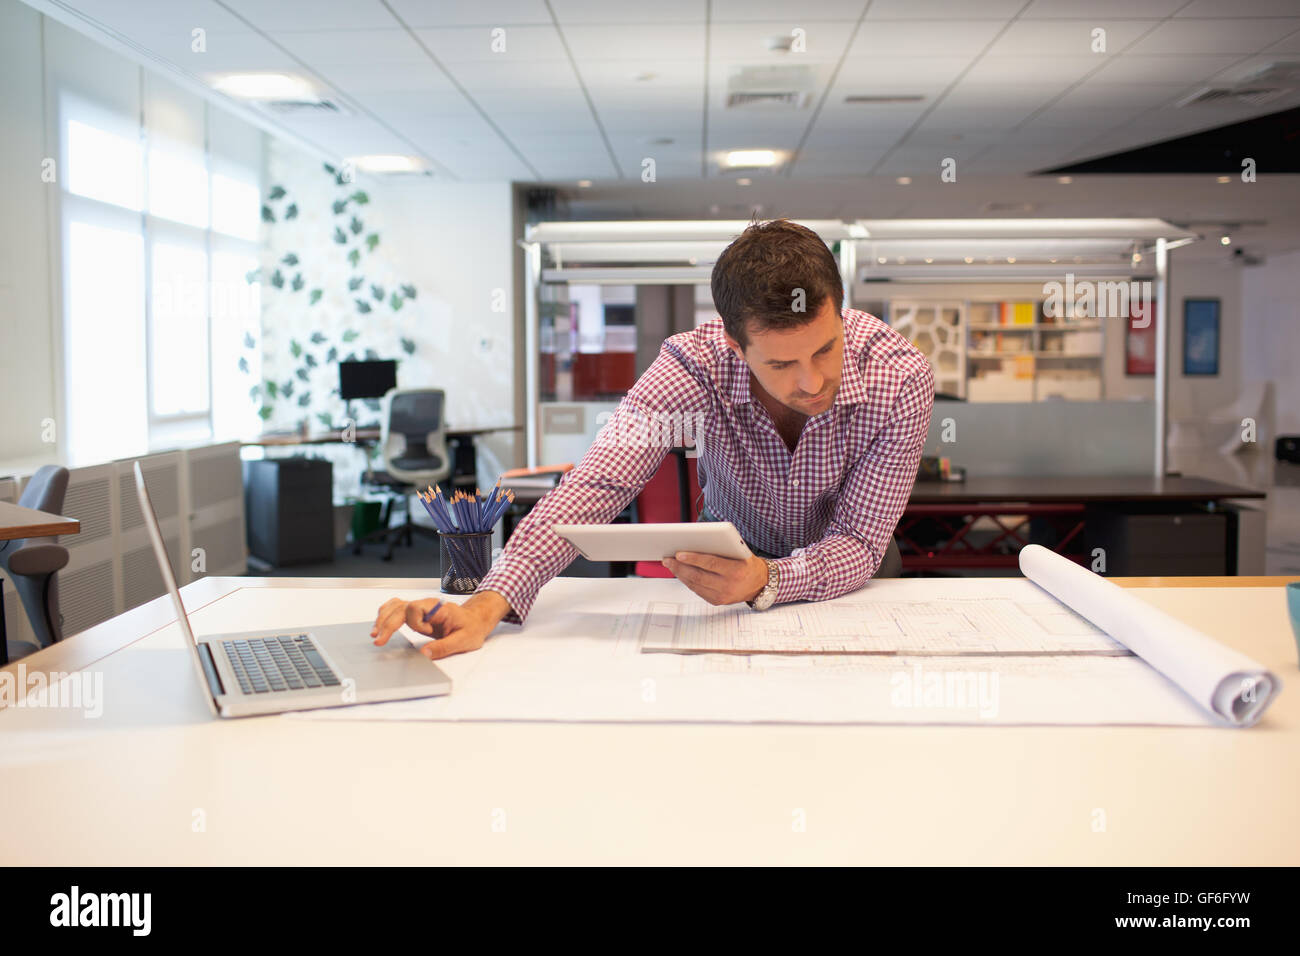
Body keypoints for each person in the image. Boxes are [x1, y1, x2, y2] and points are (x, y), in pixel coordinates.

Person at [371, 219, 935, 659]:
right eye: (783, 363)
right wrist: (488, 602)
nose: (811, 382)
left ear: (841, 312)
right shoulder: (695, 365)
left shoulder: (901, 378)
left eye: (825, 348)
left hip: (849, 581)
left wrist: (770, 579)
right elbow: (596, 485)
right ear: (736, 349)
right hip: (727, 573)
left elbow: (860, 541)